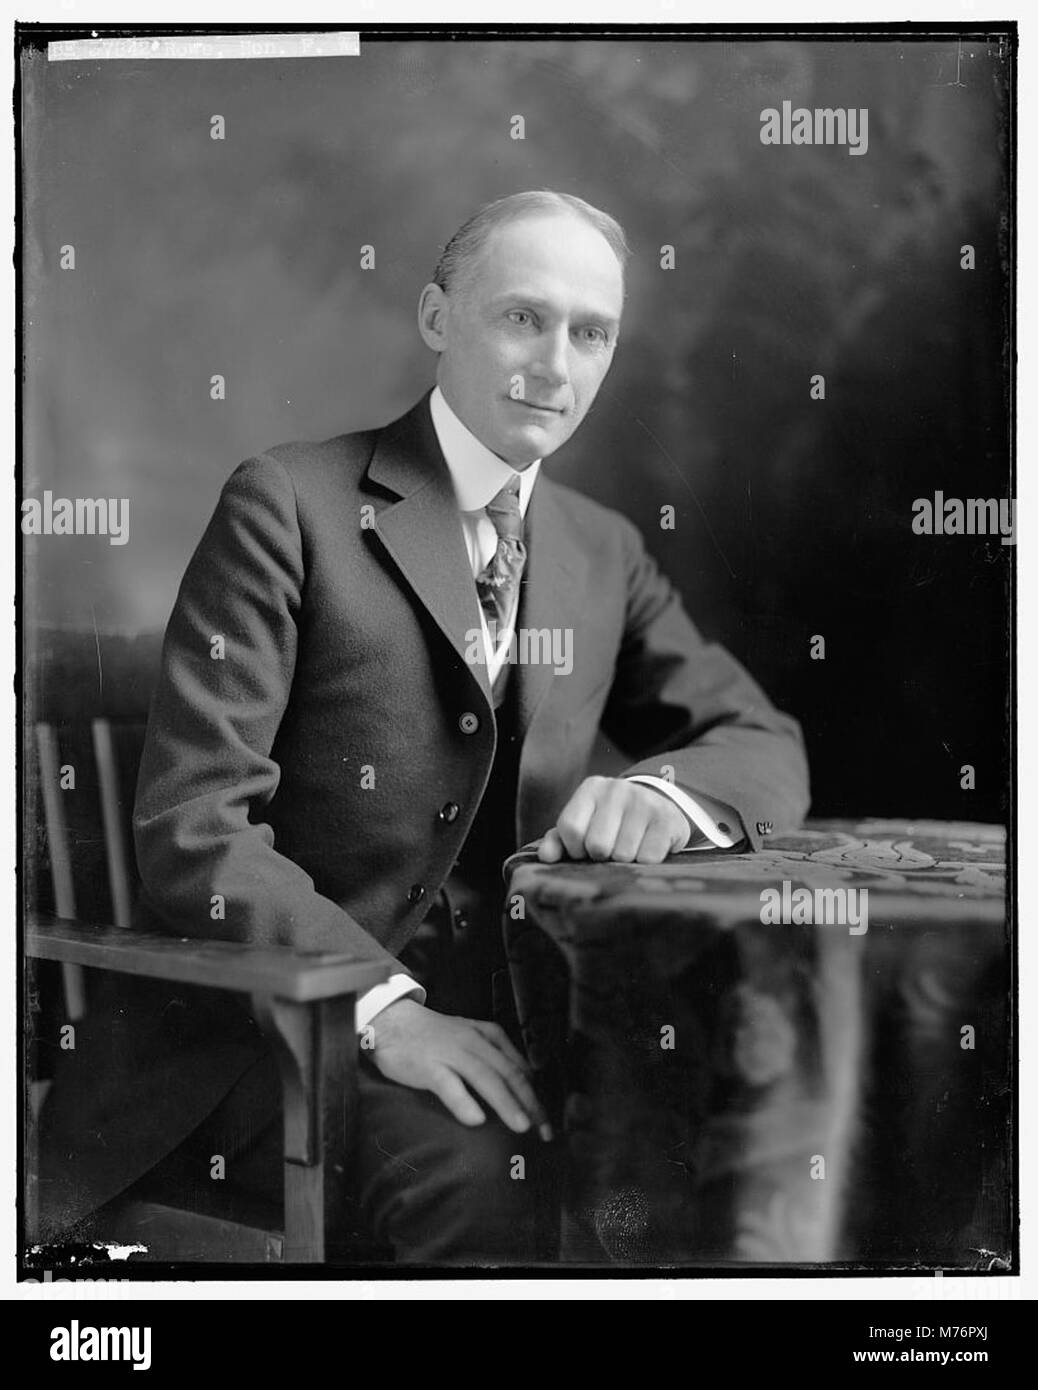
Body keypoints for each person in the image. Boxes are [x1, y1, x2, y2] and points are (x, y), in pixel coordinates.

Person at [37, 190, 810, 1263]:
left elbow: (761, 740)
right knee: (497, 1195)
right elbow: (194, 825)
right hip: (276, 1045)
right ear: (439, 319)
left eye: (590, 333)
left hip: (526, 1021)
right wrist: (386, 1011)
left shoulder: (600, 549)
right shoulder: (289, 505)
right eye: (521, 318)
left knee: (726, 1145)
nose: (555, 363)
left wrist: (664, 794)